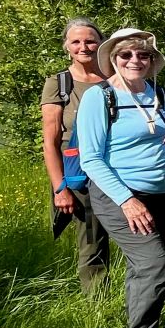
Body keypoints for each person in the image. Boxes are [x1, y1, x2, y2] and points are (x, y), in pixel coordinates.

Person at [76, 28, 165, 328]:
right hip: (120, 196)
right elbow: (90, 158)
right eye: (126, 56)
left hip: (163, 196)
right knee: (154, 267)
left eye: (143, 56)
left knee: (144, 270)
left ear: (152, 61)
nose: (135, 61)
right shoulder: (99, 97)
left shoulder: (159, 94)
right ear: (114, 60)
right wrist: (127, 200)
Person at [40, 17, 110, 293]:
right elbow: (50, 141)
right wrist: (60, 188)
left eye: (90, 40)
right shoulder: (59, 84)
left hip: (116, 170)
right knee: (92, 243)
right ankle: (98, 305)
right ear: (66, 46)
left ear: (101, 44)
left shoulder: (113, 80)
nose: (84, 46)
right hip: (78, 173)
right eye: (76, 41)